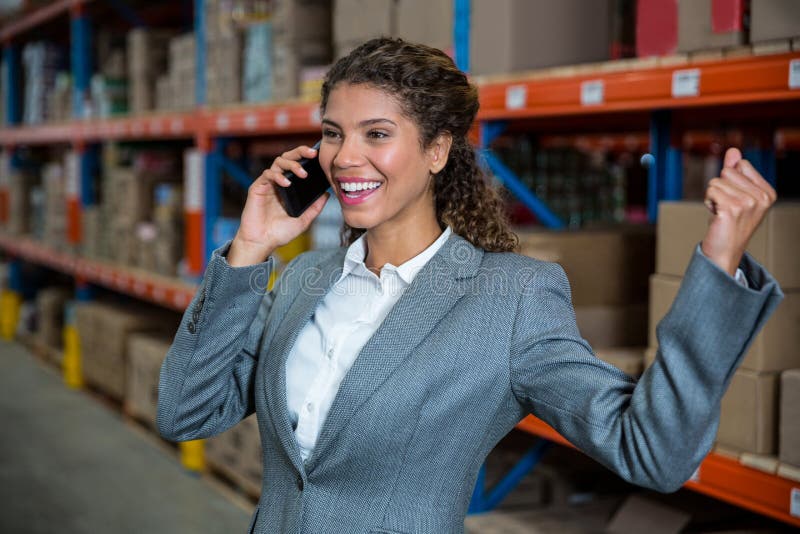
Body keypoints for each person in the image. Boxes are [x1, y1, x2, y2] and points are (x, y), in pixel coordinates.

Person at [157, 38, 783, 534]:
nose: (345, 157)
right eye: (332, 132)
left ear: (436, 151)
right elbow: (186, 410)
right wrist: (249, 250)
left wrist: (717, 263)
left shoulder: (510, 301)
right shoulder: (302, 281)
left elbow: (653, 451)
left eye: (377, 134)